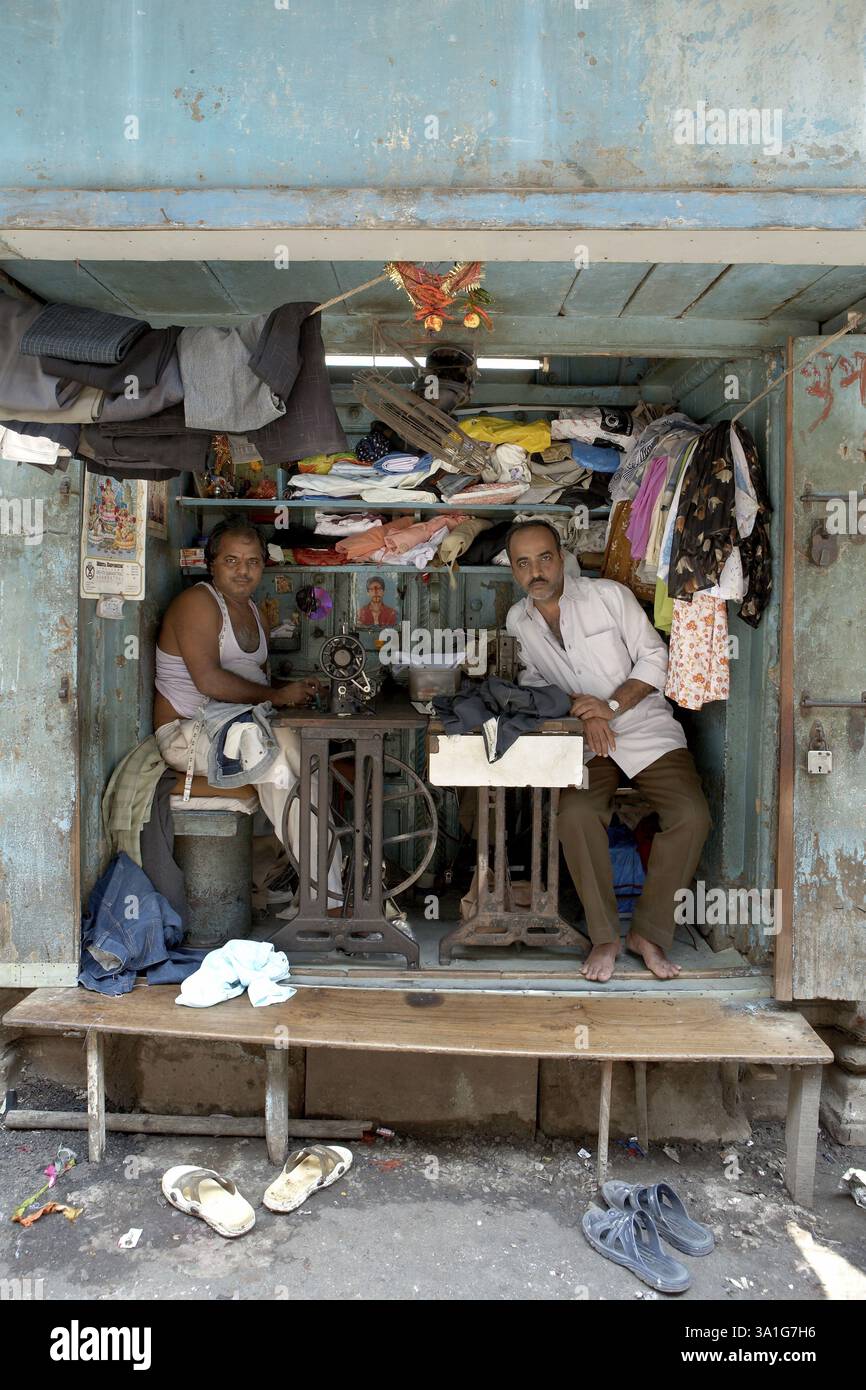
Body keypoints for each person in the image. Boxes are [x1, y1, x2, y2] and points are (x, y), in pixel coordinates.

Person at [504, 521, 711, 982]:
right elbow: (536, 684)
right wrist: (589, 714)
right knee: (575, 816)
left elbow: (655, 658)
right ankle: (605, 937)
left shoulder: (608, 596)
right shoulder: (519, 622)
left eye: (544, 558)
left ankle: (649, 933)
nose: (535, 571)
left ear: (561, 557)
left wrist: (612, 706)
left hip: (644, 728)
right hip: (588, 740)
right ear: (513, 571)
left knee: (691, 815)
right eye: (523, 563)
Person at [153, 518, 343, 909]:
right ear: (212, 563)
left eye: (253, 562)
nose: (243, 570)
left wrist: (294, 695)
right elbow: (209, 681)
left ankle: (324, 890)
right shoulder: (197, 603)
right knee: (275, 769)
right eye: (232, 560)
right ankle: (326, 899)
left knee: (309, 758)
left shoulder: (253, 610)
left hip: (235, 729)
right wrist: (277, 695)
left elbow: (258, 686)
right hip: (187, 734)